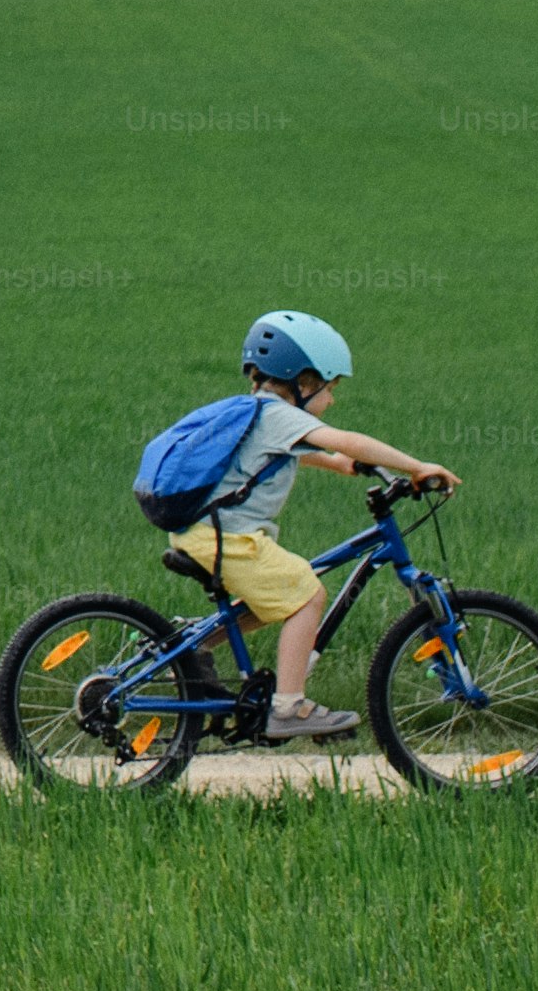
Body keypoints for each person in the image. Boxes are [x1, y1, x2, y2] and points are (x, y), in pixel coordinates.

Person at [174, 310, 460, 741]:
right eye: (331, 388)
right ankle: (289, 708)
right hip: (225, 538)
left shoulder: (258, 413)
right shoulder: (279, 415)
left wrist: (342, 465)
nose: (332, 400)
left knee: (276, 596)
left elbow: (295, 452)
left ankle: (195, 644)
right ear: (302, 382)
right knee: (308, 592)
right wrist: (416, 466)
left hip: (202, 532)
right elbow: (342, 438)